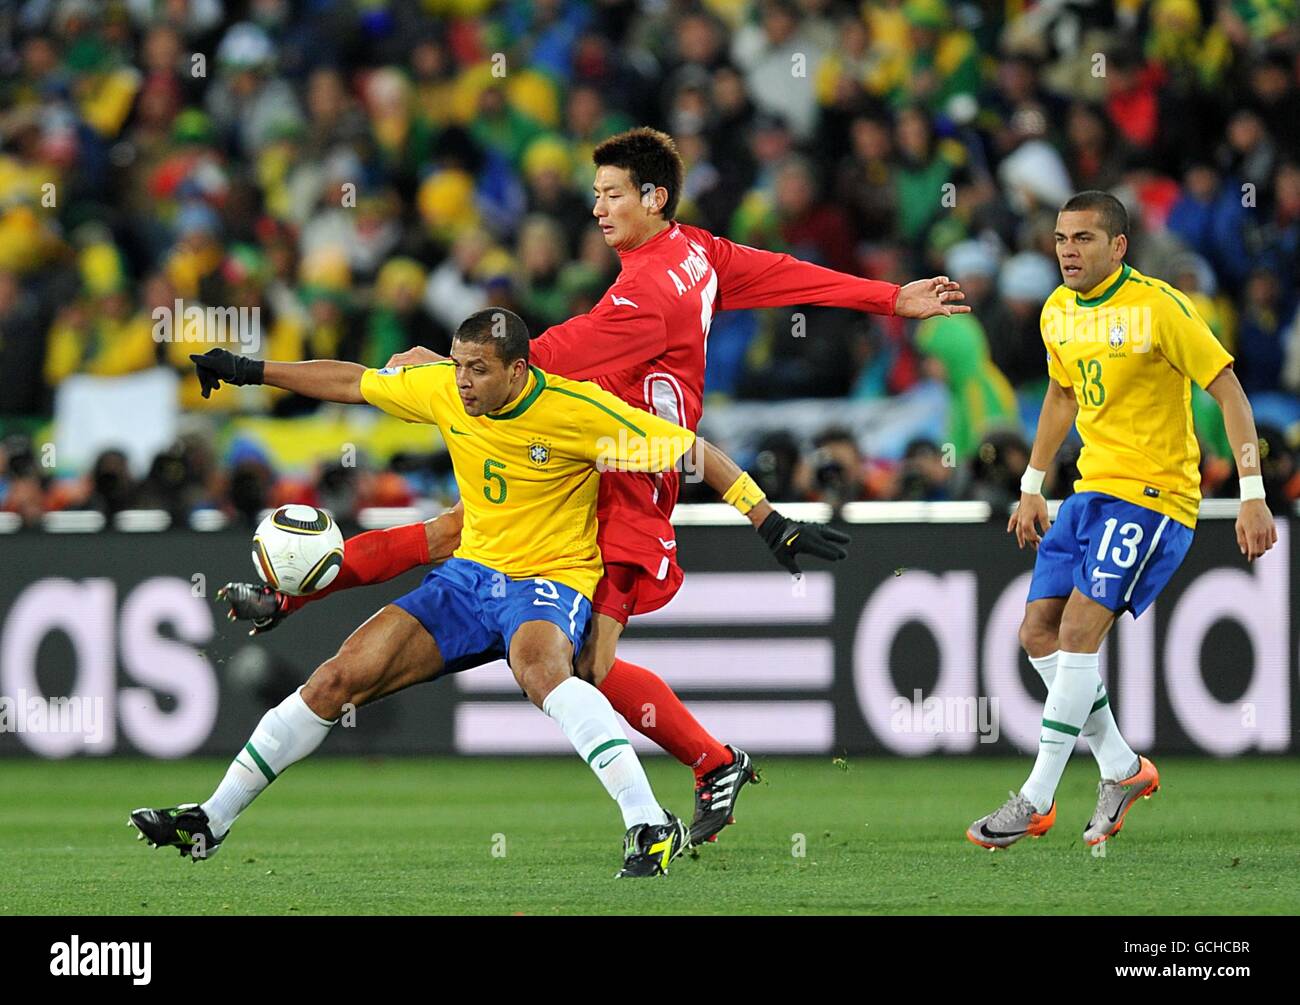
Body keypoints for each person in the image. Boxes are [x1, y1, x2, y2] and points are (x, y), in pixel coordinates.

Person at [224, 127, 962, 846]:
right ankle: (287, 594)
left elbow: (534, 361)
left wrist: (454, 372)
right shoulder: (698, 253)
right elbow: (785, 275)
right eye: (596, 194)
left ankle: (712, 764)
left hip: (625, 477)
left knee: (588, 663)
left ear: (655, 196)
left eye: (611, 194)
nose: (598, 208)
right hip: (596, 460)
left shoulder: (640, 297)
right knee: (458, 533)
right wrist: (890, 298)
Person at [131, 308, 848, 877]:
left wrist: (769, 518)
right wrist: (249, 369)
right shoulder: (446, 390)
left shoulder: (579, 414)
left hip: (551, 579)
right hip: (468, 579)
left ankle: (646, 818)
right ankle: (211, 818)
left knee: (543, 669)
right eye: (458, 363)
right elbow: (352, 381)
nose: (462, 380)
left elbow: (690, 448)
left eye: (477, 368)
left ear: (518, 369)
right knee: (336, 678)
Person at [967, 191, 1277, 850]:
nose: (1067, 251)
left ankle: (1036, 797)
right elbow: (1059, 394)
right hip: (1088, 493)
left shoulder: (1160, 307)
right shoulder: (1057, 312)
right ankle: (1122, 767)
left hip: (1155, 495)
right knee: (1036, 632)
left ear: (1118, 246)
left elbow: (1229, 391)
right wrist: (1031, 483)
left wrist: (1252, 492)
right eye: (1059, 239)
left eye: (1082, 239)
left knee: (1079, 630)